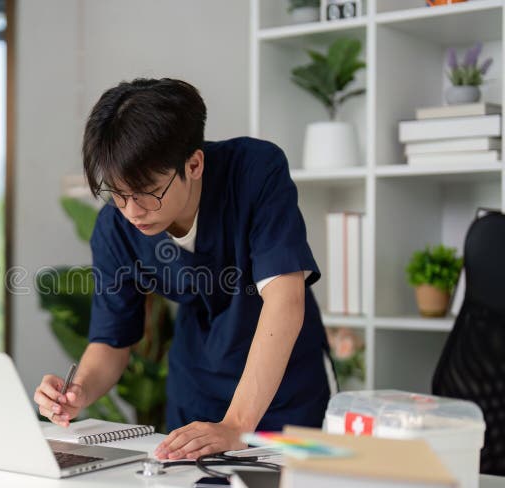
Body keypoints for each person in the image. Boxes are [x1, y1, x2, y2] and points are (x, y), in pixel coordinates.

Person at [34, 78, 335, 460]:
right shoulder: (116, 227)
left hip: (283, 389)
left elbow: (285, 300)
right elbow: (111, 341)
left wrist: (236, 424)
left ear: (194, 164)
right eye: (118, 193)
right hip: (196, 386)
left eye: (147, 192)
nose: (132, 210)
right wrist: (78, 392)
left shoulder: (254, 172)